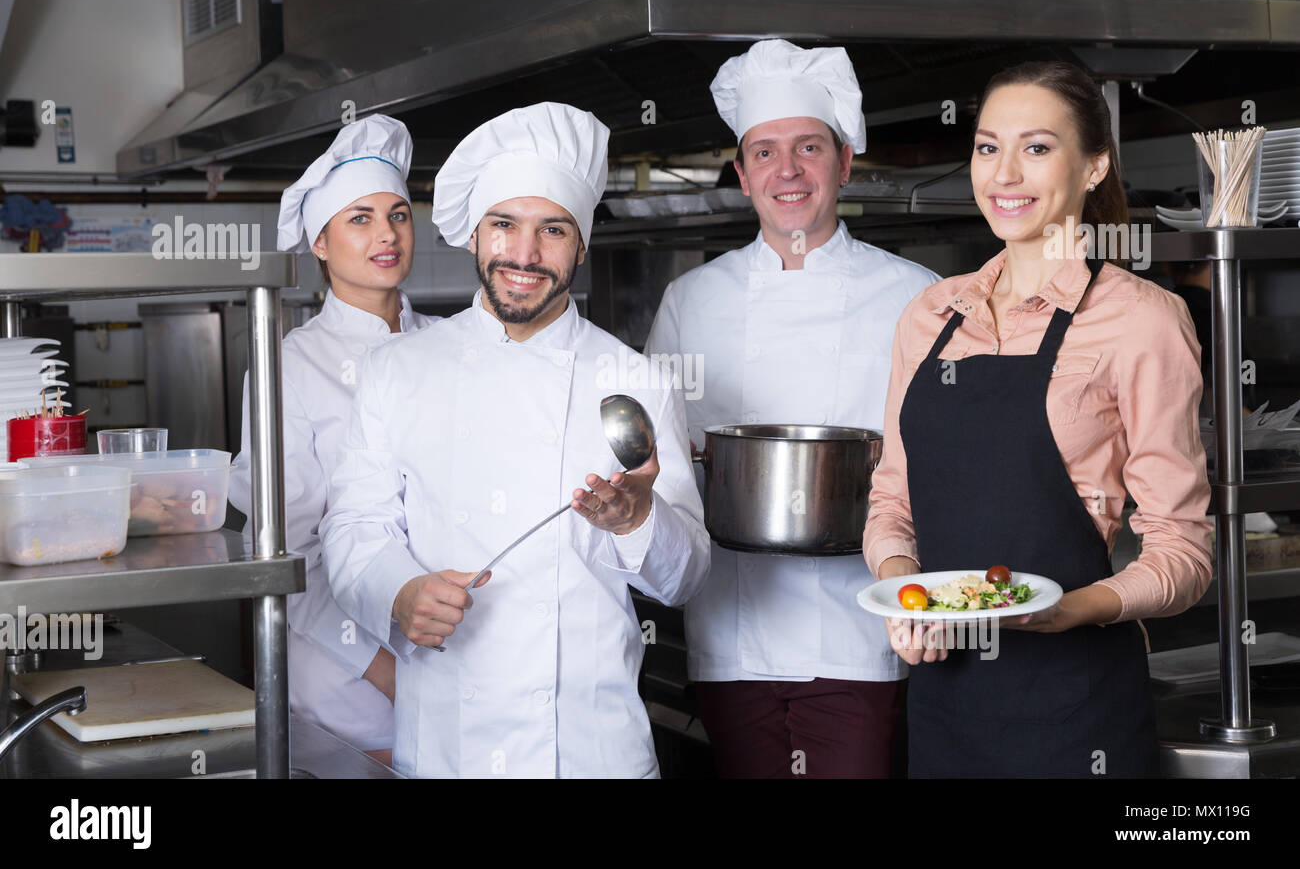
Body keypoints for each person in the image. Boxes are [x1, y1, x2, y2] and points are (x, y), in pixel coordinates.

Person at [318, 102, 711, 778]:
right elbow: (352, 527)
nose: (524, 255)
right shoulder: (398, 370)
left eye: (552, 230)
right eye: (504, 225)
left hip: (589, 753)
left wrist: (640, 517)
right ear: (475, 233)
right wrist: (400, 590)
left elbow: (686, 578)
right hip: (447, 747)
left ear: (582, 245)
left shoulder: (634, 379)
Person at [864, 61, 1213, 778]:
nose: (1005, 173)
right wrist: (907, 591)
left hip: (1076, 708)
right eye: (988, 147)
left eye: (1038, 147)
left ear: (1093, 167)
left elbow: (1183, 553)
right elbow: (892, 502)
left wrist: (1070, 610)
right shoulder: (929, 316)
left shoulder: (1142, 320)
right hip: (945, 707)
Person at [644, 39, 939, 778]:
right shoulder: (691, 301)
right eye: (765, 151)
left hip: (864, 630)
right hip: (733, 633)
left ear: (843, 162)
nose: (788, 171)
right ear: (742, 176)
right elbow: (660, 461)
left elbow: (948, 459)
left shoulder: (917, 296)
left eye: (809, 146)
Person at [228, 114, 437, 766]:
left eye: (398, 214)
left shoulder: (453, 346)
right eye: (360, 218)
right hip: (350, 684)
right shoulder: (291, 364)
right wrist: (386, 669)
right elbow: (288, 553)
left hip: (460, 655)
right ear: (319, 243)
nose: (386, 233)